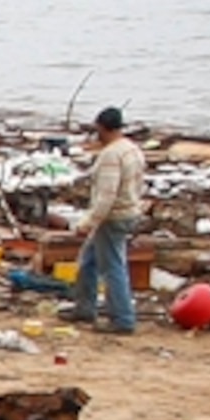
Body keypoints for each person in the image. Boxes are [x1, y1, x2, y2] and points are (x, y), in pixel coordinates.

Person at [65, 104, 145, 334]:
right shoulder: (132, 149)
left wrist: (88, 222)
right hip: (128, 211)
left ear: (103, 128)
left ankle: (123, 319)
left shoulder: (111, 155)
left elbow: (106, 197)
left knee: (113, 268)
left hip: (112, 217)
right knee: (88, 261)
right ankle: (84, 308)